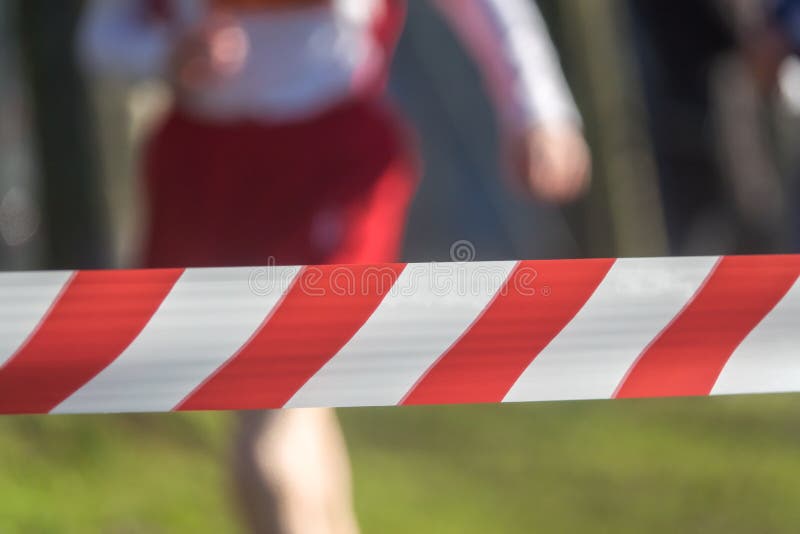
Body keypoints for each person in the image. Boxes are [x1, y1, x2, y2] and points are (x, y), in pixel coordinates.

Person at [78, 0, 589, 532]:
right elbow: (102, 36)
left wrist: (539, 112)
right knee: (295, 400)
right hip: (208, 170)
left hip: (333, 161)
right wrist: (166, 54)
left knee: (272, 410)